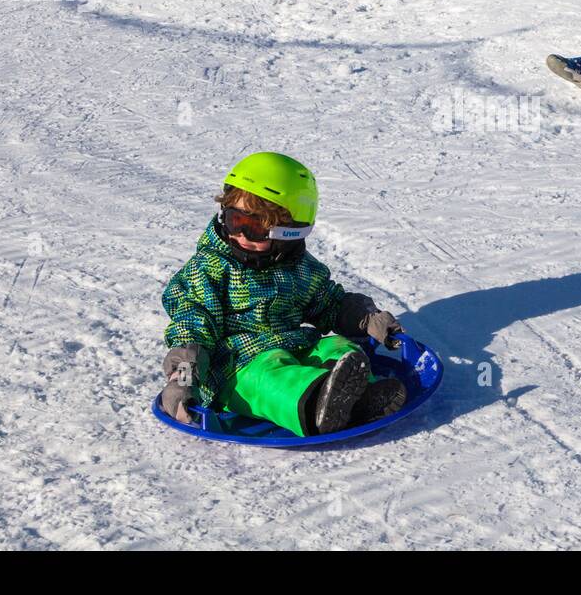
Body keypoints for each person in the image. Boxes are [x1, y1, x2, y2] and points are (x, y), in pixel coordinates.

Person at [159, 152, 408, 436]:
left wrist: (367, 318)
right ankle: (317, 406)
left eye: (253, 228)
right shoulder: (209, 269)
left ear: (289, 233)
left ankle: (361, 396)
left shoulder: (300, 269)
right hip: (236, 367)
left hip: (294, 344)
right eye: (233, 219)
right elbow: (192, 324)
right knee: (269, 379)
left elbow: (328, 302)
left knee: (336, 347)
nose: (239, 234)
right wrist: (183, 378)